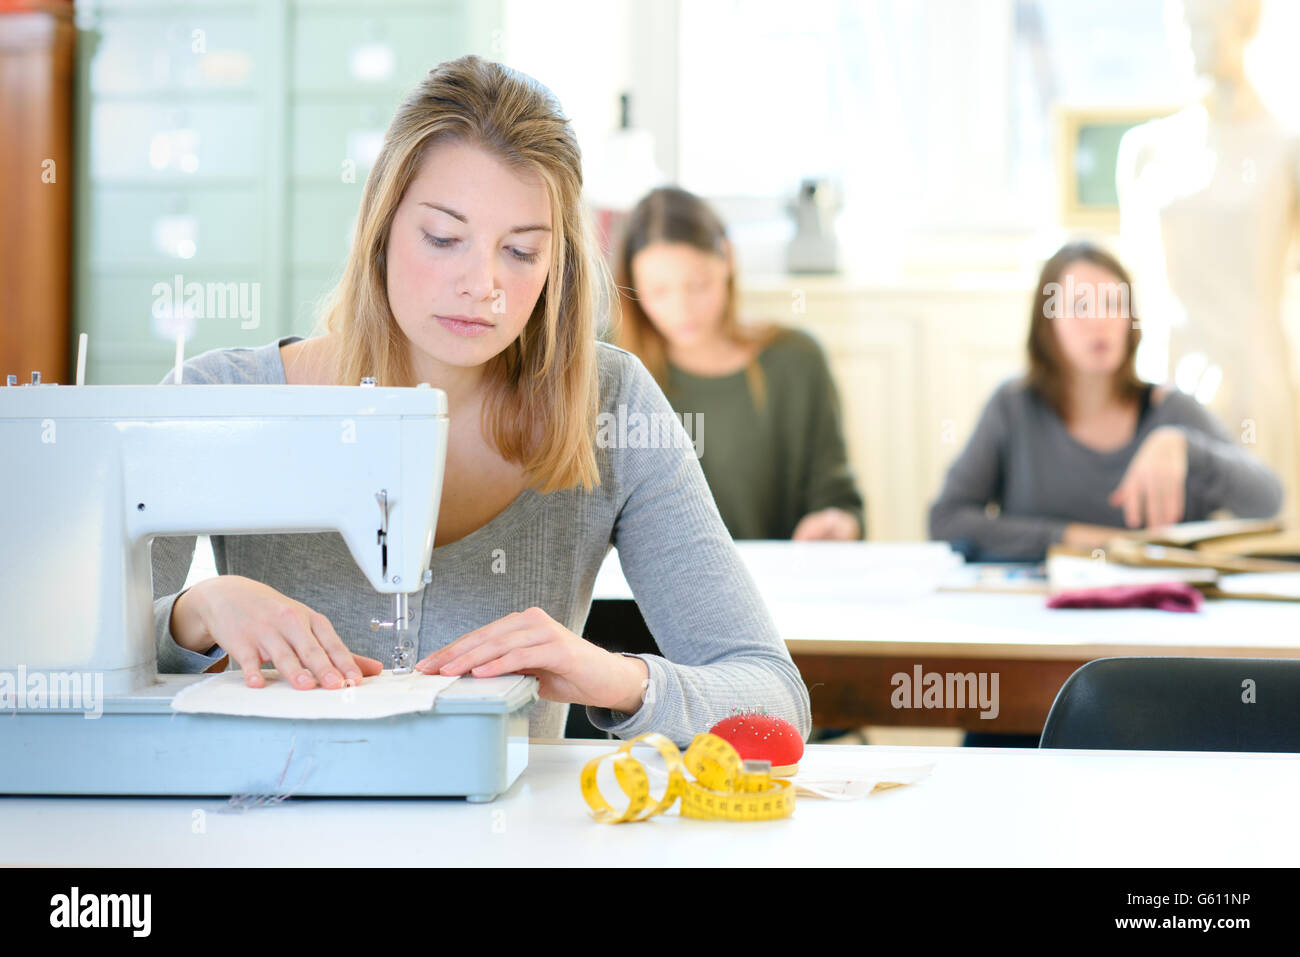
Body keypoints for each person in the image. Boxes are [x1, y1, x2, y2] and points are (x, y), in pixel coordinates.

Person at [149, 55, 811, 747]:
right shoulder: (219, 399)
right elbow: (51, 670)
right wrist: (195, 612)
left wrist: (612, 677)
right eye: (443, 238)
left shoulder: (612, 409)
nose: (484, 283)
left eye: (522, 252)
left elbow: (775, 705)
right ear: (380, 229)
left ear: (558, 264)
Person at [929, 240, 1283, 564]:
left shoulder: (1172, 411)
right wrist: (1073, 537)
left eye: (1114, 304)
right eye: (1080, 306)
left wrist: (1187, 448)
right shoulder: (1013, 407)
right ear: (1047, 324)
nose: (1100, 320)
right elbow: (946, 520)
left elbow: (1268, 502)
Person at [613, 186, 865, 541]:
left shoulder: (796, 362)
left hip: (776, 589)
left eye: (698, 285)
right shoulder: (608, 370)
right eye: (659, 292)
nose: (682, 309)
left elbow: (839, 499)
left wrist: (836, 523)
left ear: (727, 259)